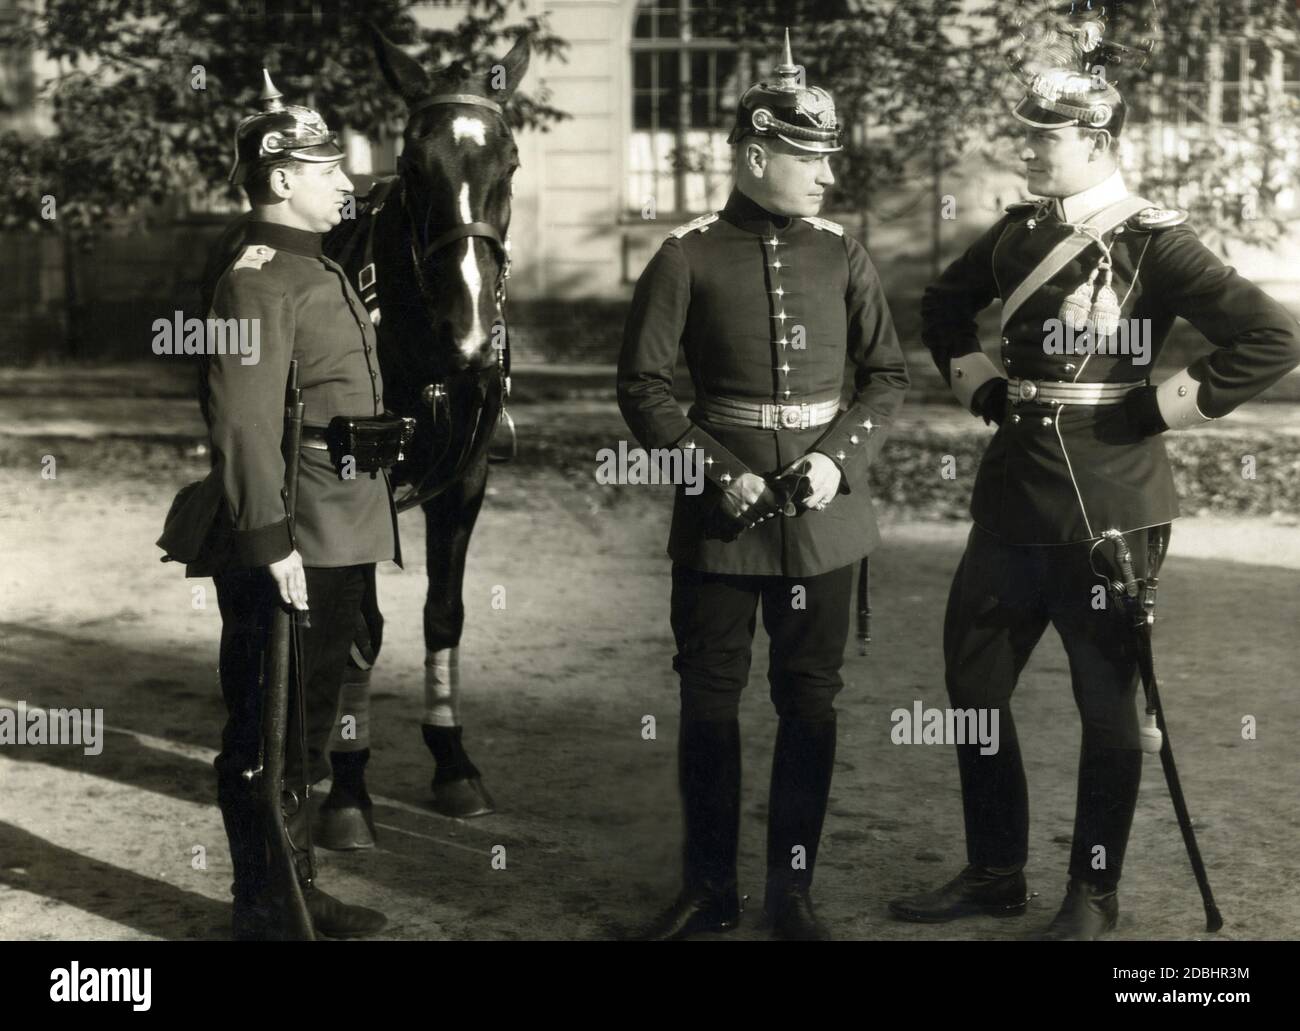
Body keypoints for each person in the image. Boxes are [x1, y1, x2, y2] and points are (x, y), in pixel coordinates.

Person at [889, 18, 1300, 940]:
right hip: (1011, 499)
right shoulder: (1014, 234)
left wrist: (1164, 408)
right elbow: (942, 308)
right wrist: (979, 383)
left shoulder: (1156, 242)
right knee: (972, 690)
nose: (1028, 147)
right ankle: (996, 870)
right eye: (1028, 131)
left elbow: (1274, 338)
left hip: (1111, 502)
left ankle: (1094, 892)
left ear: (1098, 144)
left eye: (1046, 135)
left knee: (1107, 708)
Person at [618, 32, 910, 941]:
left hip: (827, 518)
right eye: (808, 158)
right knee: (708, 696)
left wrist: (836, 459)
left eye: (829, 157)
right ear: (754, 157)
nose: (826, 175)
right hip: (720, 517)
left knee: (809, 699)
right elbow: (643, 386)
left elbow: (887, 376)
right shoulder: (686, 255)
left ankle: (793, 893)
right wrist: (716, 473)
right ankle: (709, 890)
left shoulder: (841, 252)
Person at [159, 71, 401, 939]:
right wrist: (270, 542)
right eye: (326, 166)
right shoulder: (257, 278)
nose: (345, 180)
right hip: (292, 538)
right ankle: (264, 906)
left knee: (302, 727)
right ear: (281, 178)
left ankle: (295, 884)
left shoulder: (313, 265)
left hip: (338, 530)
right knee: (266, 726)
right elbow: (245, 423)